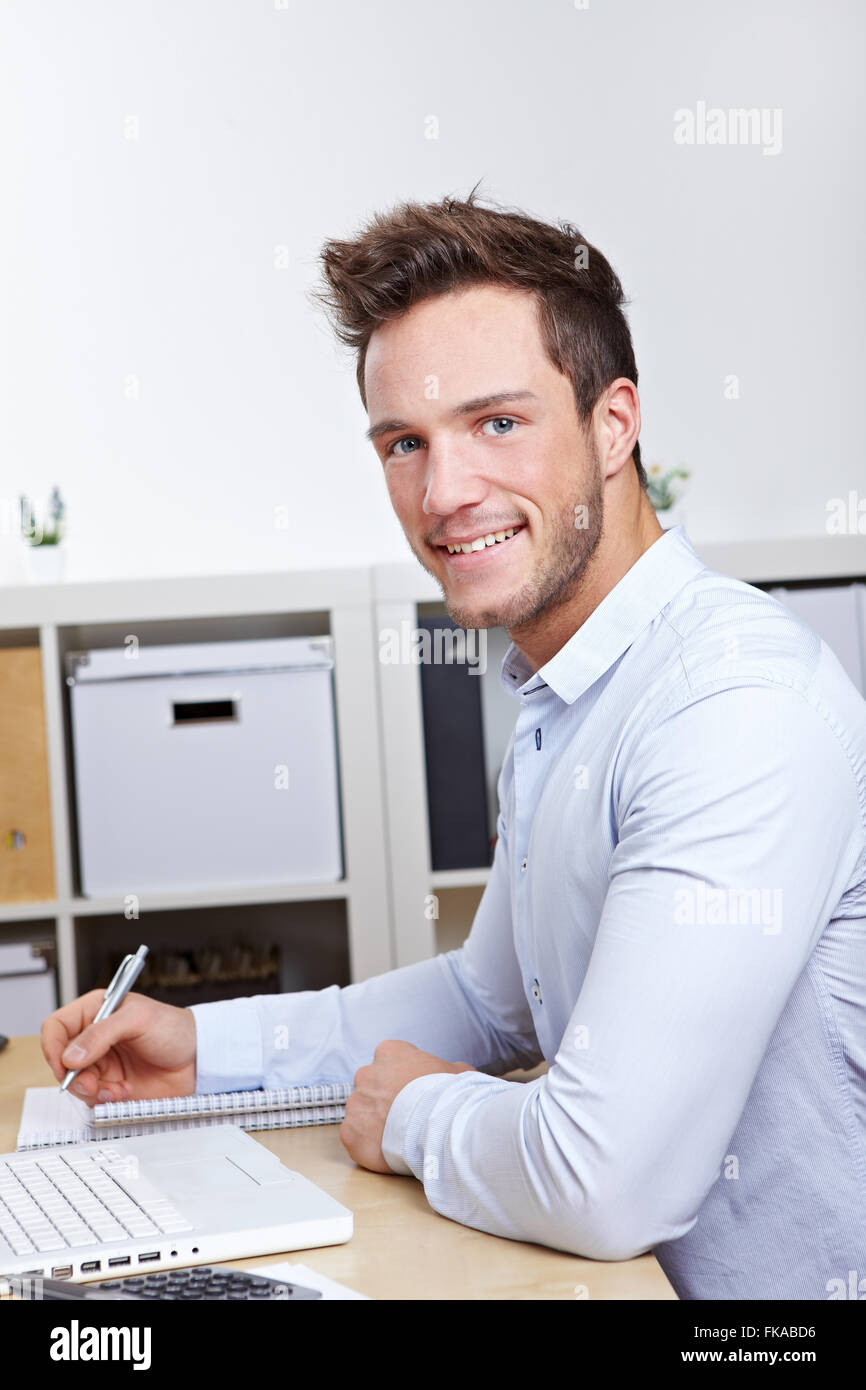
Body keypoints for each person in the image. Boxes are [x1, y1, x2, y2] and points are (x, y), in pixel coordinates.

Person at [42, 190, 866, 1300]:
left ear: (613, 422)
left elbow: (601, 1177)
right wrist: (203, 1050)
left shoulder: (731, 703)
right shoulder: (566, 691)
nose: (442, 493)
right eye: (402, 443)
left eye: (496, 423)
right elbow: (488, 1004)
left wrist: (416, 1115)